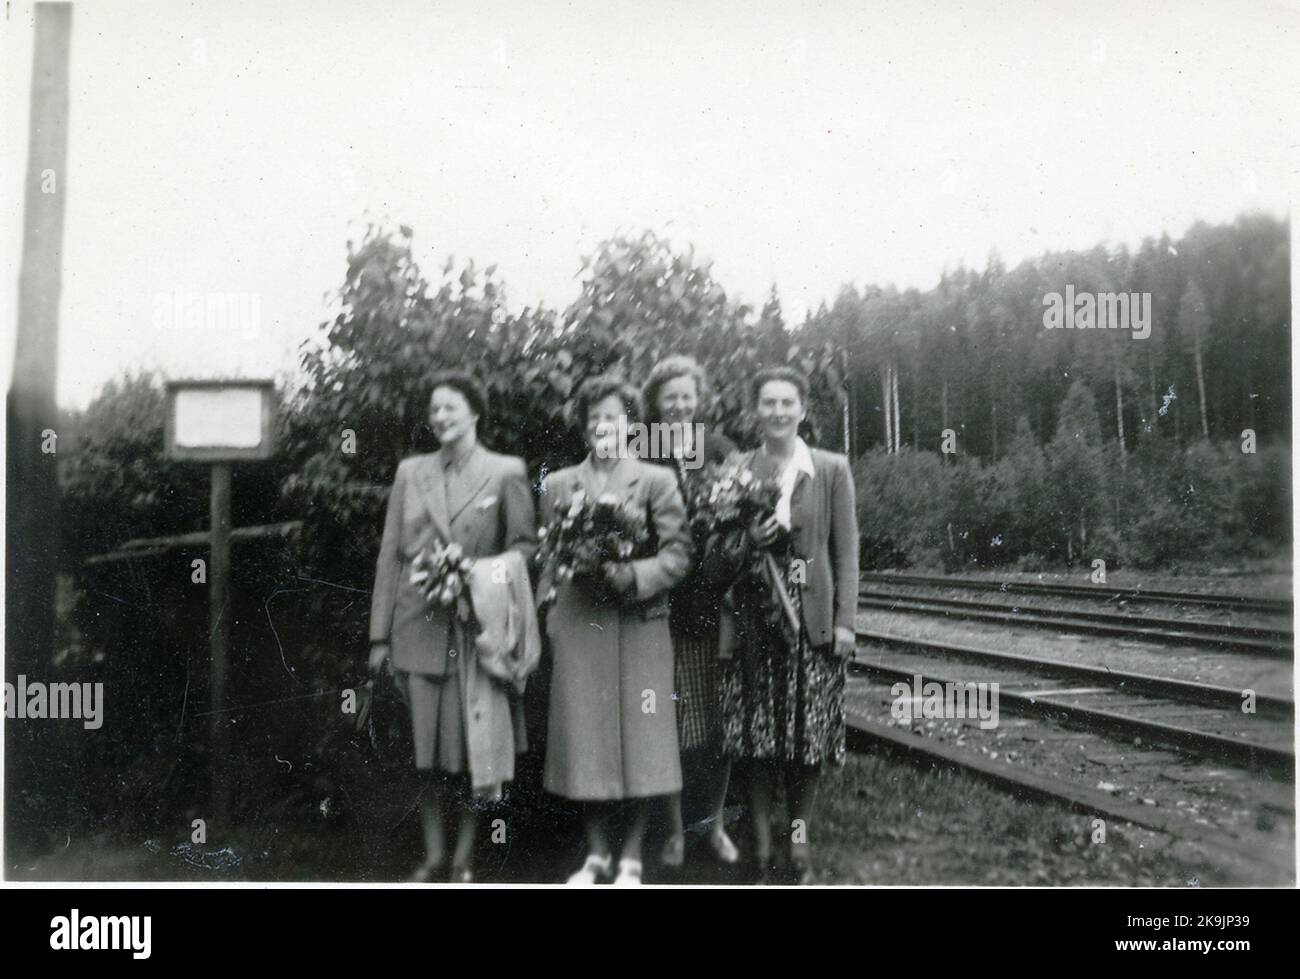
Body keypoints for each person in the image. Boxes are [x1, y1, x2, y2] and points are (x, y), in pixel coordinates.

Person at [368, 370, 537, 883]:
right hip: (417, 628)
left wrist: (478, 576)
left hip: (476, 630)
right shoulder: (410, 473)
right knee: (426, 754)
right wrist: (379, 637)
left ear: (475, 413)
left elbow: (525, 548)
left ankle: (465, 857)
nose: (441, 417)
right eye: (435, 409)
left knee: (472, 751)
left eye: (451, 408)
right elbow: (390, 557)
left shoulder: (506, 471)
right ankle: (434, 855)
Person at [540, 375, 692, 885]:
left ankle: (631, 856)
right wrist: (549, 613)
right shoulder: (560, 485)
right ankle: (596, 854)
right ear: (584, 428)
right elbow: (547, 559)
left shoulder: (656, 480)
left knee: (641, 743)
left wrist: (634, 575)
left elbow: (679, 554)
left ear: (630, 424)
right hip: (581, 625)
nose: (602, 426)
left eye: (612, 416)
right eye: (593, 418)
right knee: (586, 742)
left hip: (638, 626)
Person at [714, 366, 859, 884]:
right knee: (753, 737)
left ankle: (797, 837)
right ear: (756, 411)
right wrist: (749, 536)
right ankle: (757, 837)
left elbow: (846, 553)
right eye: (768, 403)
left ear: (802, 410)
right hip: (751, 618)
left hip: (810, 622)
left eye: (787, 403)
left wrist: (845, 623)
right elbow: (722, 553)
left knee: (807, 737)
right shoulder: (737, 469)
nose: (777, 412)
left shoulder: (830, 468)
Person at [640, 355, 740, 870]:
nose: (678, 405)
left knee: (717, 722)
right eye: (668, 397)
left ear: (698, 399)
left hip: (712, 603)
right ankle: (676, 829)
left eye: (686, 396)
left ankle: (715, 824)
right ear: (655, 404)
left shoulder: (719, 450)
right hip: (660, 606)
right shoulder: (642, 453)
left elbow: (743, 518)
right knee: (671, 723)